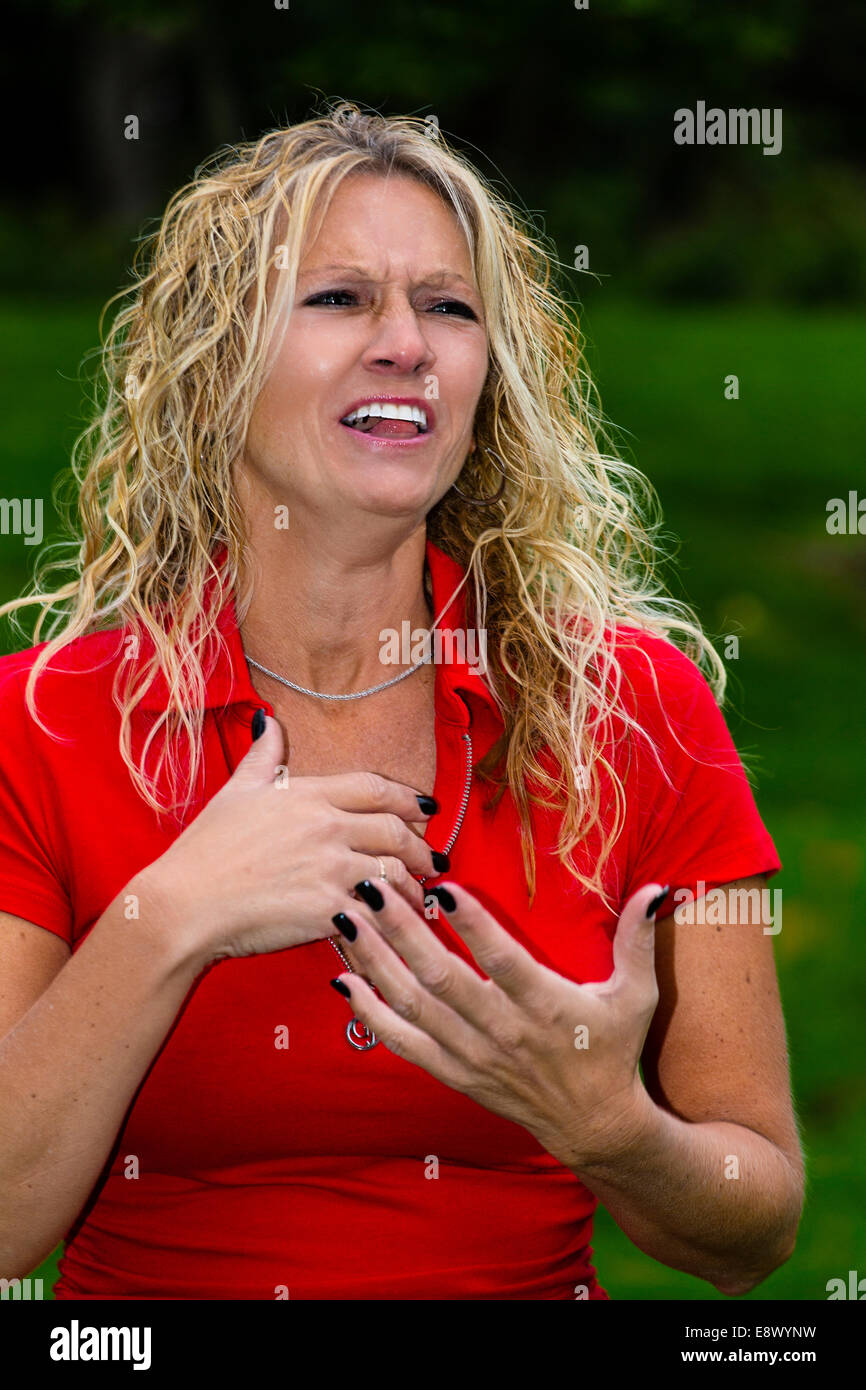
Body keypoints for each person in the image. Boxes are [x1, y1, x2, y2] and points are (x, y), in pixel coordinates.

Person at [0, 102, 803, 1301]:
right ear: (215, 357)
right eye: (337, 299)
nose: (404, 344)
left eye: (446, 306)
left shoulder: (635, 706)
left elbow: (758, 1220)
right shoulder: (44, 722)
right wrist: (167, 921)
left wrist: (609, 1128)